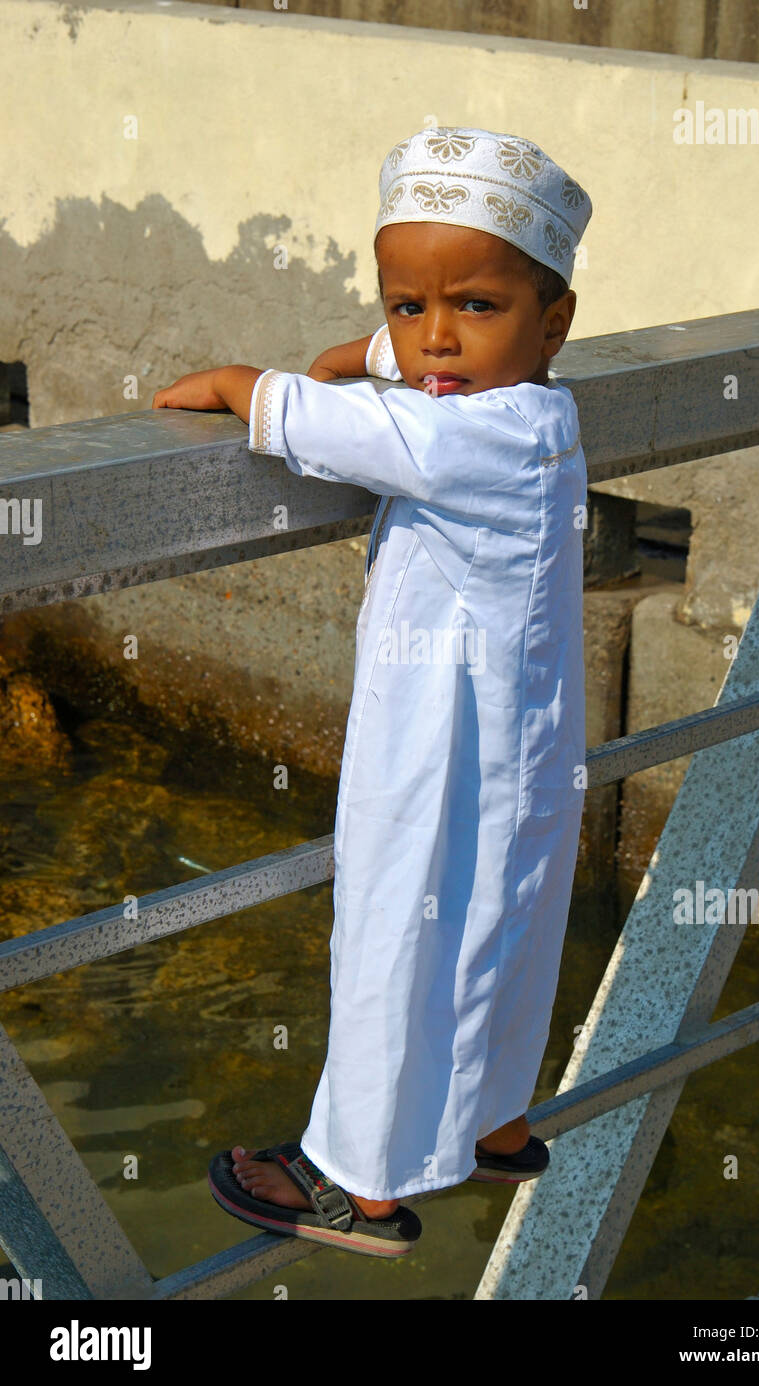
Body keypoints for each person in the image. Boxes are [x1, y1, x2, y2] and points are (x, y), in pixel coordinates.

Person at [152, 126, 592, 1260]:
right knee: (504, 922)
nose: (435, 337)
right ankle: (494, 1119)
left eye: (475, 307)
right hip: (515, 745)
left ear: (556, 322)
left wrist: (246, 384)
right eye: (409, 304)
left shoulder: (463, 443)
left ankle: (358, 1181)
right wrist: (376, 348)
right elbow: (421, 374)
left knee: (397, 932)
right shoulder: (537, 414)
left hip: (434, 750)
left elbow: (340, 426)